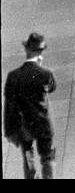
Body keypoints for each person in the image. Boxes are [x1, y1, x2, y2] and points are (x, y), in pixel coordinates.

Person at [3, 32, 58, 180]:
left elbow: (9, 105)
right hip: (43, 125)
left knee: (27, 154)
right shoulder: (46, 73)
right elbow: (52, 87)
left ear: (27, 50)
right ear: (40, 52)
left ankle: (32, 175)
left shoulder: (13, 76)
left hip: (24, 124)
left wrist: (9, 131)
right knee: (48, 156)